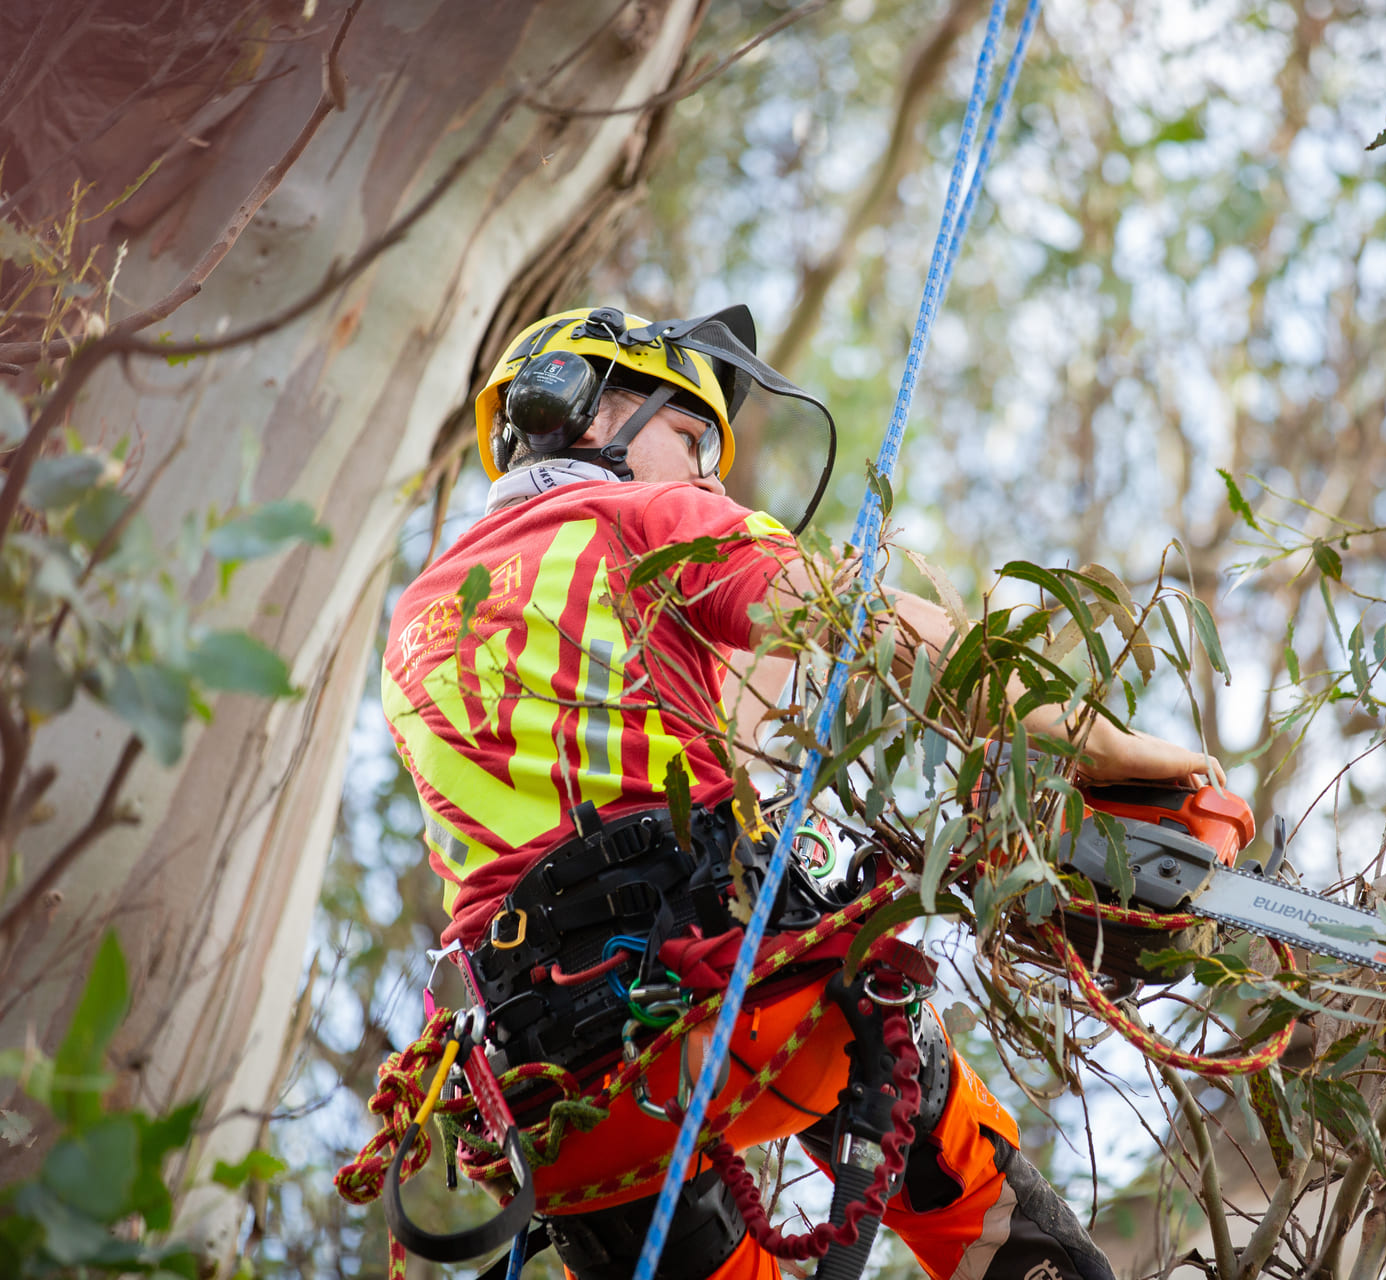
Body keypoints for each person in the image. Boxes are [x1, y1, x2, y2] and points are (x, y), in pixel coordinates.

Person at [381, 304, 1216, 1280]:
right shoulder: (647, 519)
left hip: (550, 1105)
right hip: (711, 1011)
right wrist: (1097, 744)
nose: (708, 477)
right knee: (930, 1100)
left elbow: (672, 734)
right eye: (690, 437)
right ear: (577, 405)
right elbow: (860, 625)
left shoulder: (421, 611)